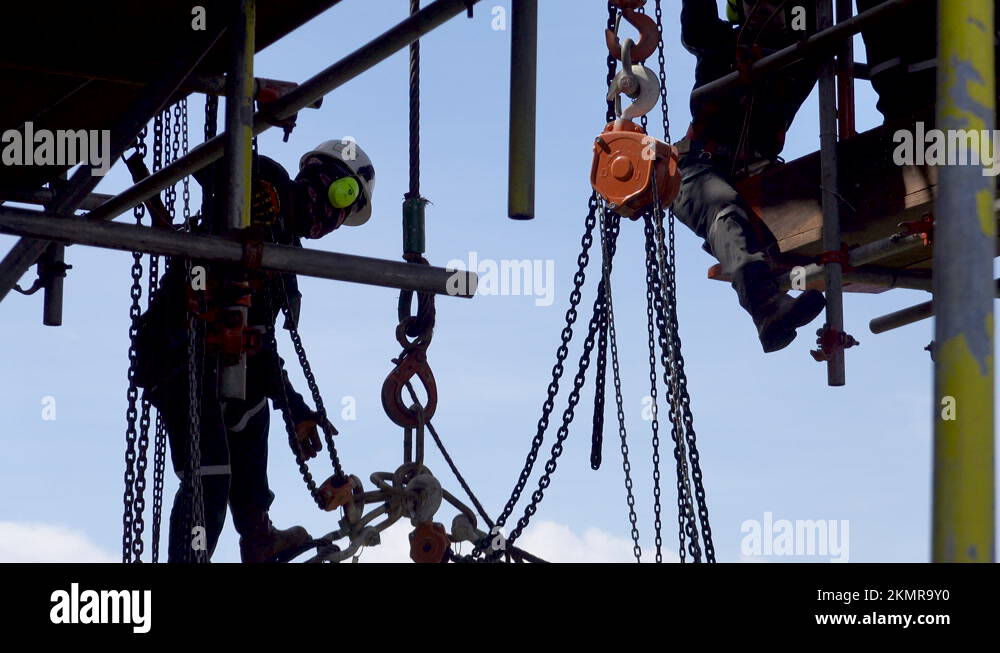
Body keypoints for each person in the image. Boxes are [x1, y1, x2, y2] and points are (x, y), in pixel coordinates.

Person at [134, 139, 376, 562]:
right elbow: (208, 162)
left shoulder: (285, 260)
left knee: (252, 407)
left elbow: (261, 348)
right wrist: (250, 182)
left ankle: (258, 534)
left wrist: (297, 409)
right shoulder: (271, 183)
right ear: (317, 179)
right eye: (341, 195)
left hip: (221, 355)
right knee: (209, 472)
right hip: (178, 351)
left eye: (344, 212)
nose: (332, 216)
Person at [672, 0, 827, 352]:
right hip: (695, 166)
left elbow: (819, 38)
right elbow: (696, 23)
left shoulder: (800, 58)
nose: (762, 8)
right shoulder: (719, 42)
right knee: (722, 208)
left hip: (753, 172)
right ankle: (767, 308)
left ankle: (772, 296)